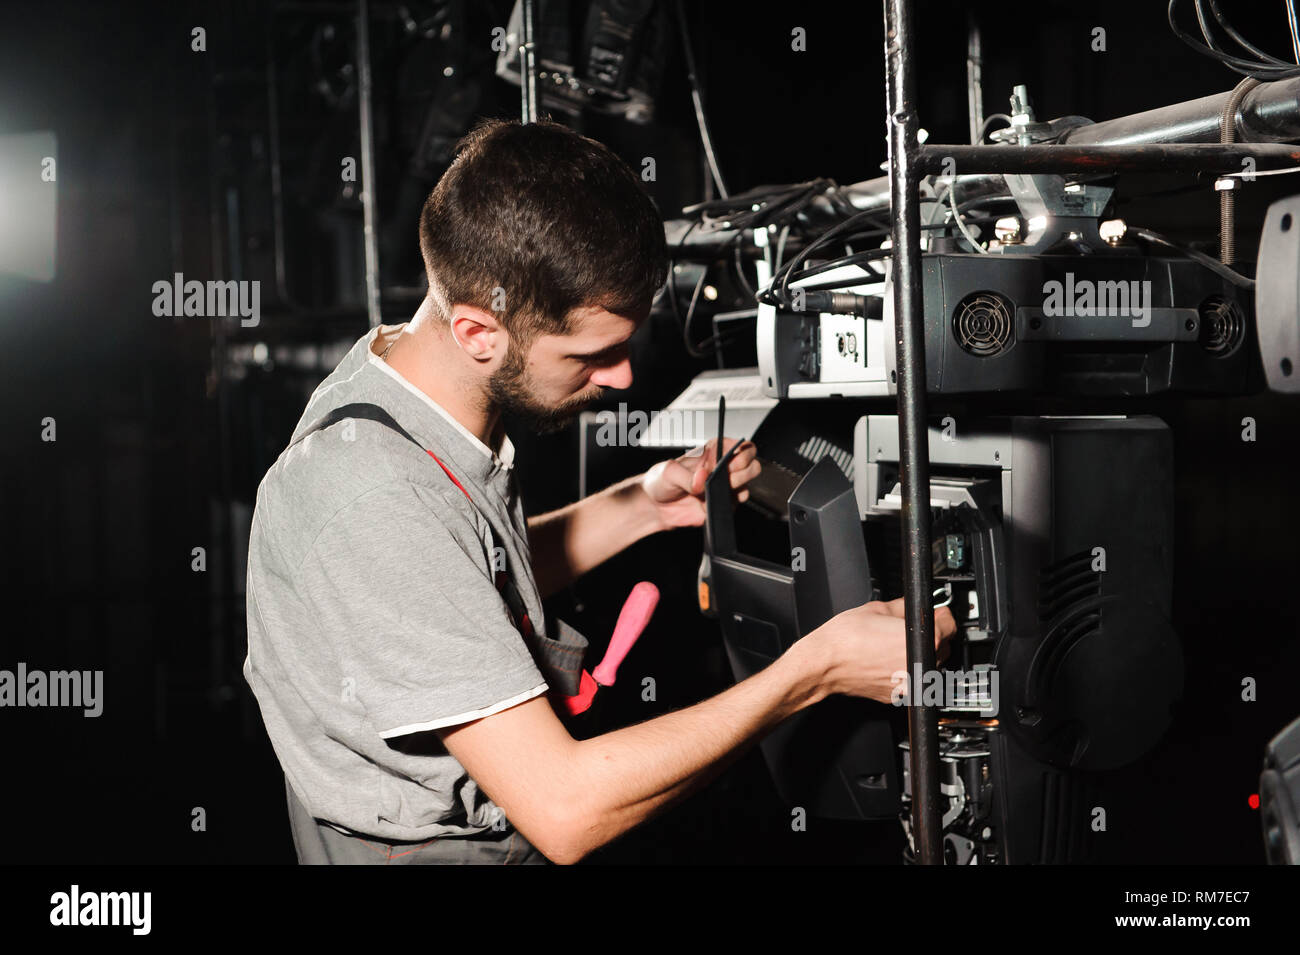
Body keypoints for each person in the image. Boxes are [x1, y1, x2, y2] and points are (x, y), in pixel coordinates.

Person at [242, 116, 956, 865]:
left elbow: (458, 580)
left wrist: (644, 505)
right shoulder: (372, 494)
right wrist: (816, 669)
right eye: (594, 352)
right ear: (479, 332)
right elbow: (566, 807)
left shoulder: (400, 387)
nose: (620, 377)